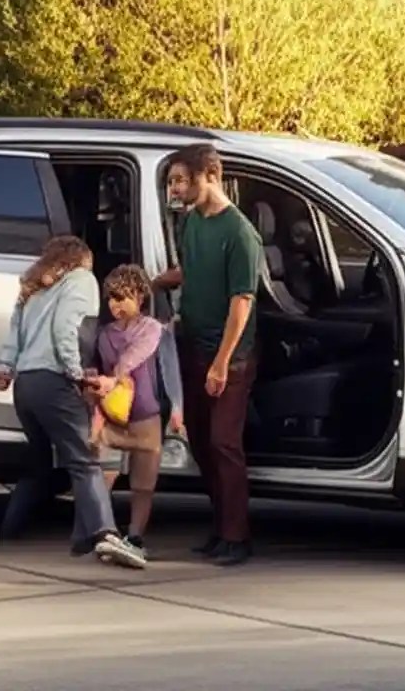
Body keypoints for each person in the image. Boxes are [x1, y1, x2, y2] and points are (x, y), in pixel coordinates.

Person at [0, 236, 146, 569]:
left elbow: (14, 332)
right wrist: (76, 373)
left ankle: (11, 533)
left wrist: (5, 368)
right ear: (81, 258)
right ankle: (106, 535)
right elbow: (67, 329)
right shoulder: (80, 280)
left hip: (26, 385)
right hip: (53, 381)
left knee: (38, 464)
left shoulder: (33, 287)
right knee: (85, 460)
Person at [155, 143, 263, 567]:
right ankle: (220, 528)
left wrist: (222, 362)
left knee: (223, 441)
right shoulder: (193, 222)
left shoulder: (239, 232)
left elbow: (242, 300)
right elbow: (192, 270)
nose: (177, 189)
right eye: (173, 181)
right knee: (200, 440)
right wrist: (155, 282)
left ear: (211, 177)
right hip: (192, 345)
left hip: (229, 357)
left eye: (184, 180)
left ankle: (238, 536)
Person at [88, 264, 185, 563]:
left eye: (124, 298)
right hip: (116, 410)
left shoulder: (155, 331)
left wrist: (178, 406)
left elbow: (170, 370)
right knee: (106, 471)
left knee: (144, 481)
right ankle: (105, 532)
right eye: (112, 299)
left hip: (147, 408)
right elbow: (103, 371)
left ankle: (135, 535)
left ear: (141, 297)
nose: (117, 305)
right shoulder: (104, 336)